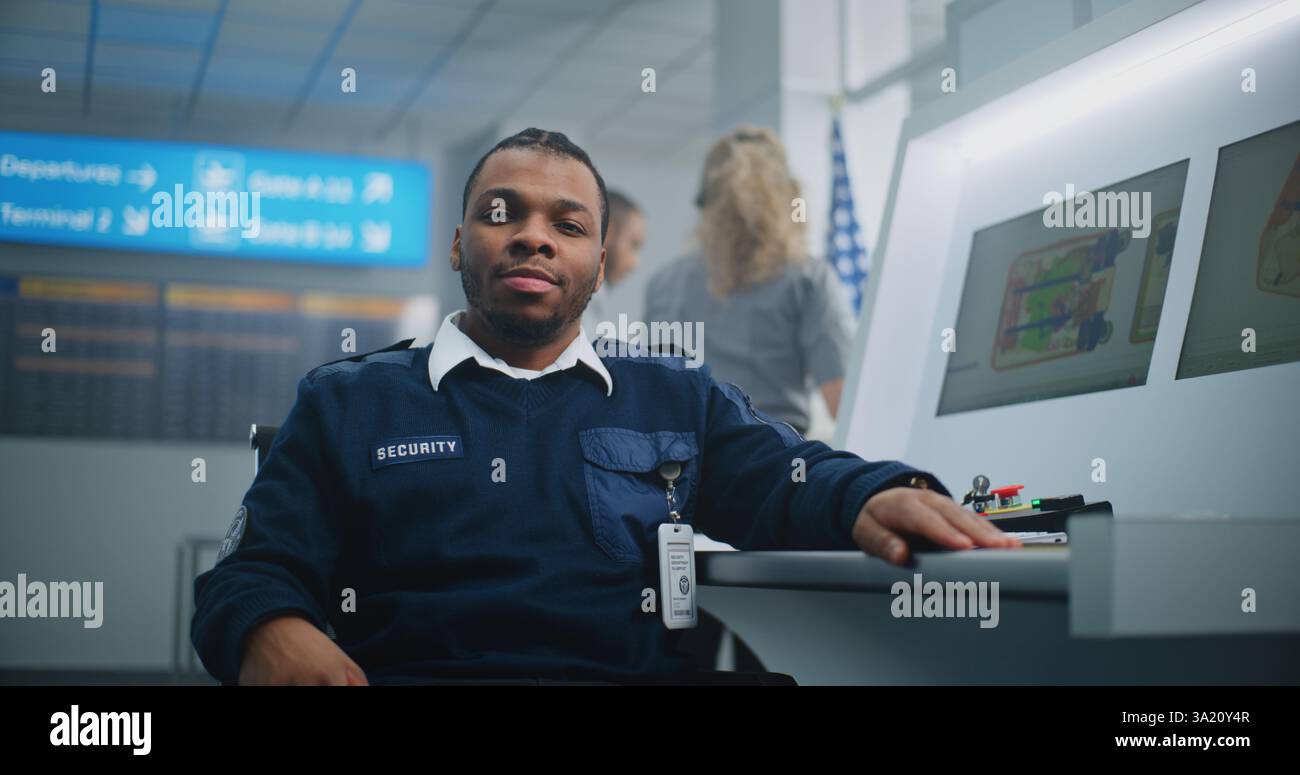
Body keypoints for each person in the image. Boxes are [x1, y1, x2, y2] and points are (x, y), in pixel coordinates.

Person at [191, 128, 1019, 686]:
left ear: (597, 266)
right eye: (501, 212)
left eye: (569, 223)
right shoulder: (348, 401)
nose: (533, 235)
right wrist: (269, 629)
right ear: (457, 244)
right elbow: (248, 574)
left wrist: (871, 492)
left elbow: (789, 475)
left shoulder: (673, 396)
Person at [644, 126, 851, 436]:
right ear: (788, 196)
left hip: (683, 464)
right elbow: (842, 403)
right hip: (775, 459)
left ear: (706, 204)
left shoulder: (663, 284)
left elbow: (650, 395)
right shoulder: (809, 278)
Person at [581, 190, 644, 335]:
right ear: (607, 230)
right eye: (633, 245)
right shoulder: (576, 303)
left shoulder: (593, 303)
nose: (635, 264)